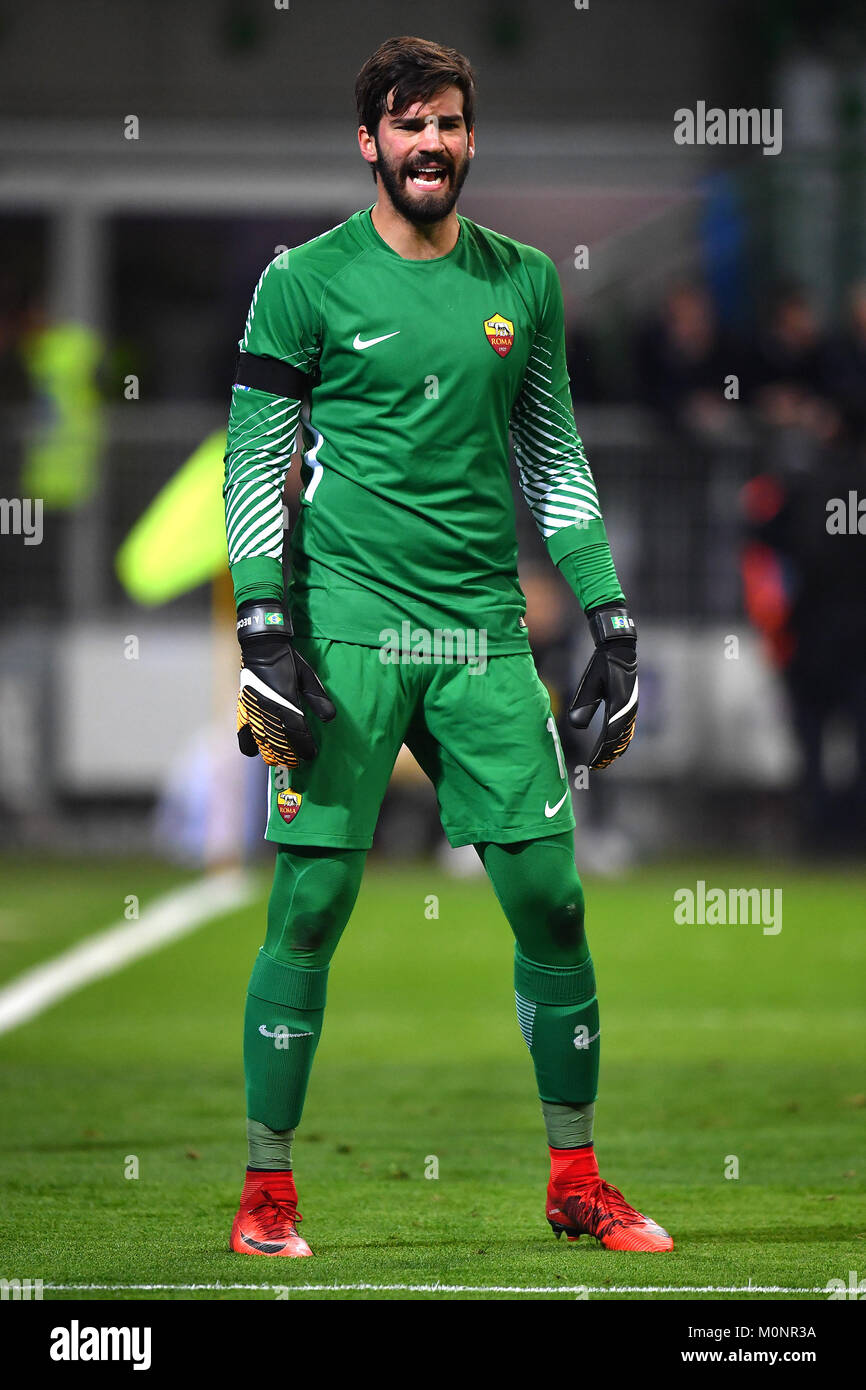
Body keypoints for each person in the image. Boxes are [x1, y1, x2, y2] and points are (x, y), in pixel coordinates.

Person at [222, 35, 668, 1257]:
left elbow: (553, 460)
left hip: (480, 635)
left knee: (554, 900)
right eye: (407, 124)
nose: (430, 144)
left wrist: (610, 619)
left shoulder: (522, 282)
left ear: (471, 141)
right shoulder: (300, 282)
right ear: (368, 142)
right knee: (309, 904)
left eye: (449, 124)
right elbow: (256, 460)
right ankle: (265, 1198)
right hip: (346, 627)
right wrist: (264, 625)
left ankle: (574, 1179)